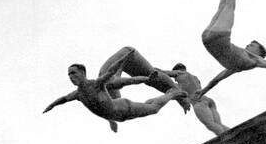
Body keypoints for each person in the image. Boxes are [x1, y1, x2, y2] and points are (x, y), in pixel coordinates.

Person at [42, 56, 186, 131]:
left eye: (73, 73)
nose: (70, 77)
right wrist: (52, 105)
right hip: (116, 116)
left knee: (153, 109)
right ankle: (112, 120)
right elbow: (63, 99)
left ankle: (173, 94)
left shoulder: (97, 84)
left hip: (124, 108)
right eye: (68, 75)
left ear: (82, 73)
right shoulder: (77, 94)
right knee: (149, 105)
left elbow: (126, 80)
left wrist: (147, 79)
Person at [167, 62, 229, 136]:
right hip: (208, 100)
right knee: (218, 124)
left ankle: (229, 141)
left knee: (211, 124)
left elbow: (162, 72)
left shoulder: (179, 73)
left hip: (198, 102)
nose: (175, 80)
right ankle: (235, 135)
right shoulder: (195, 78)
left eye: (175, 78)